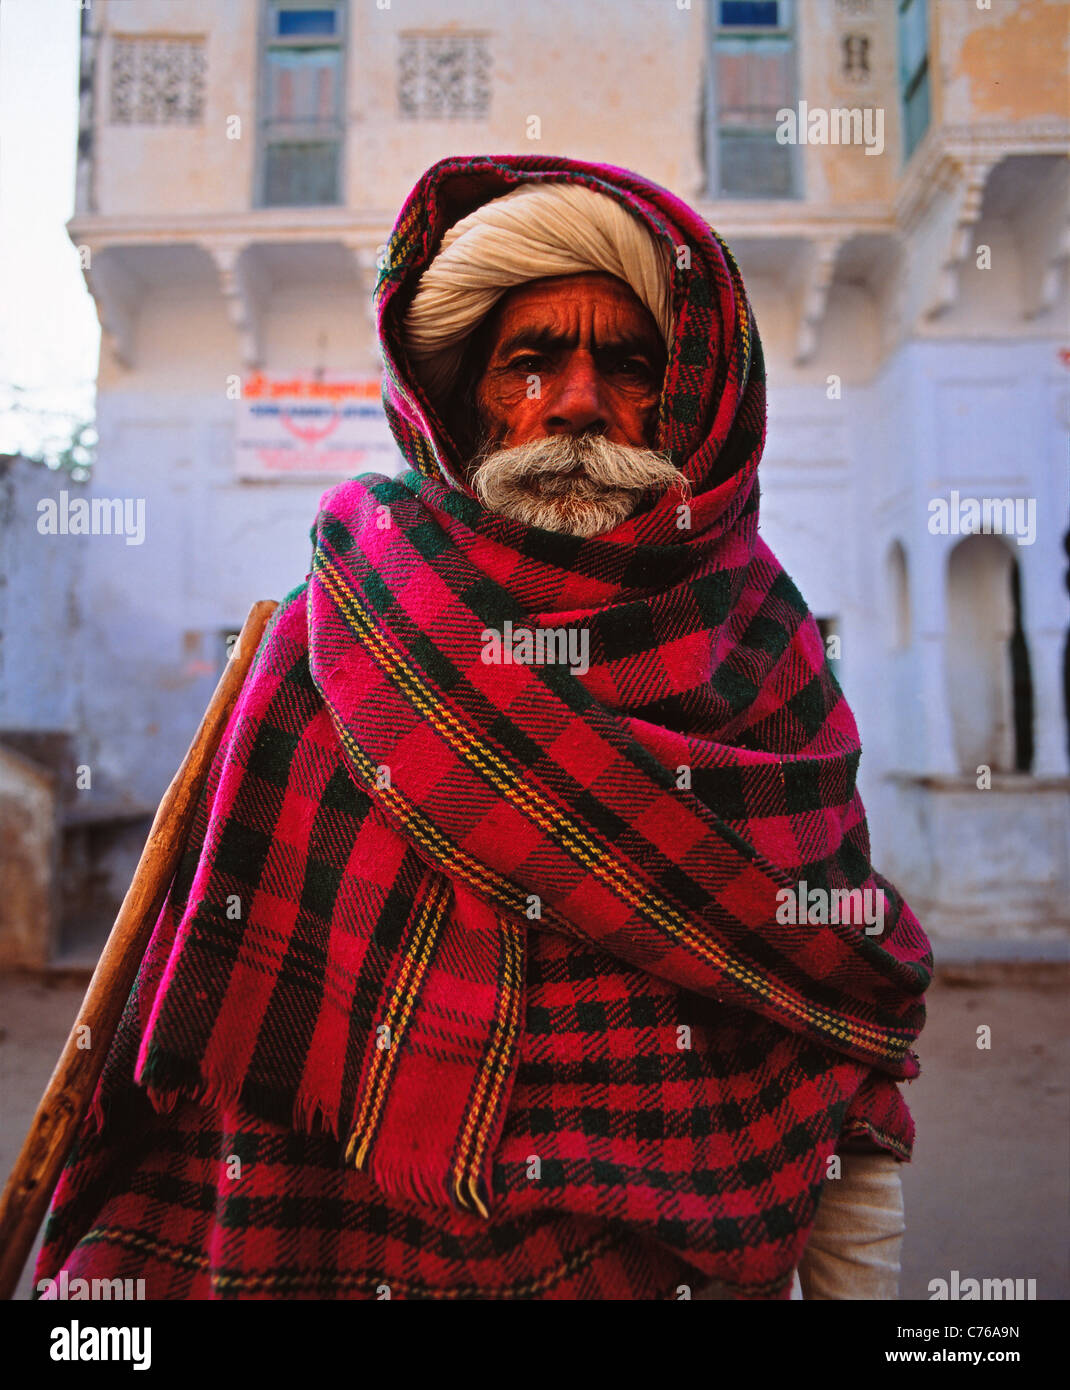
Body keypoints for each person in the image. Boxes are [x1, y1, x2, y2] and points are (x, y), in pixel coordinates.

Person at [33, 154, 930, 1301]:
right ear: (463, 403)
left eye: (626, 366)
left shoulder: (757, 643)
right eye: (528, 365)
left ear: (689, 402)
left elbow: (833, 1006)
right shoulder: (333, 635)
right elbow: (200, 1040)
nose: (572, 403)